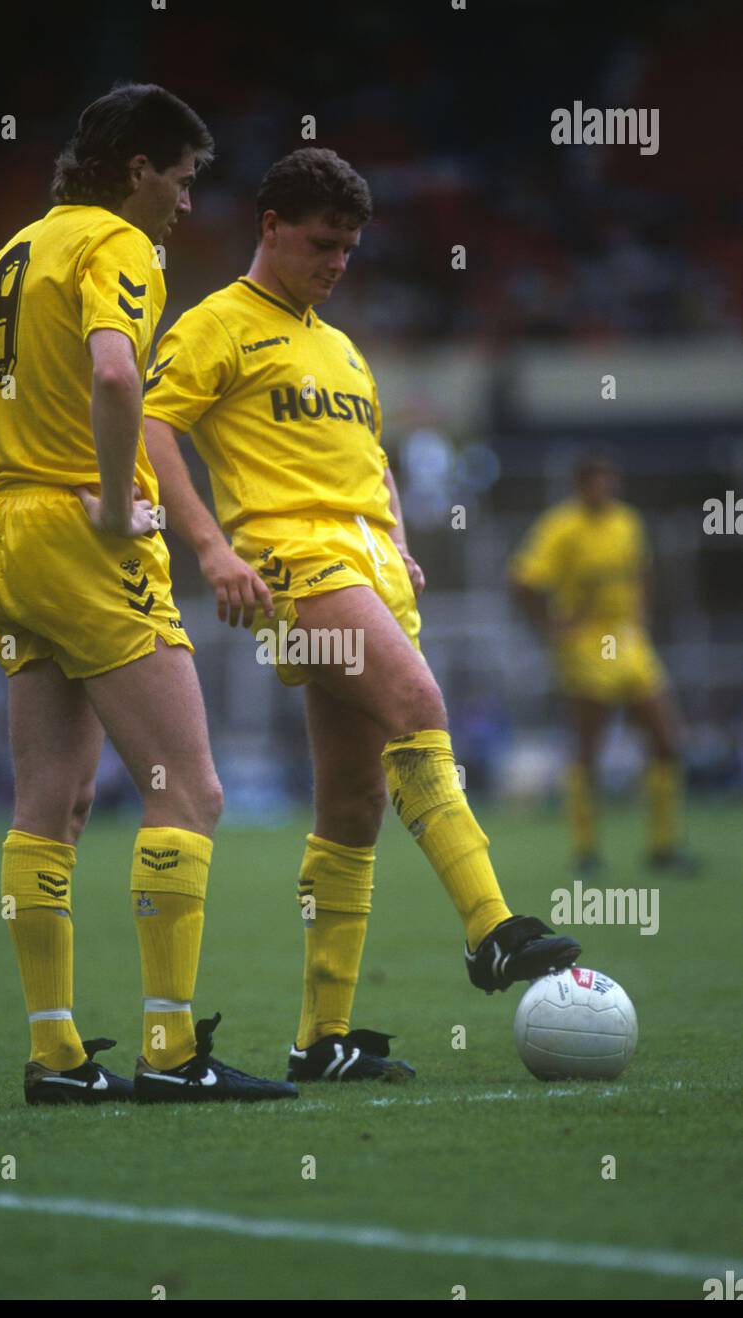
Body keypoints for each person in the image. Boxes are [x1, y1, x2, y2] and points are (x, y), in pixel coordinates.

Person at [142, 147, 580, 1085]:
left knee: (353, 805)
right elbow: (149, 428)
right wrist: (212, 549)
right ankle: (492, 928)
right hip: (290, 568)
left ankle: (321, 1040)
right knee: (420, 706)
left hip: (374, 569)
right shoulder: (216, 325)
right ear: (269, 227)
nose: (336, 264)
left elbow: (369, 460)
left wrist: (398, 534)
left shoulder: (340, 348)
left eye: (348, 250)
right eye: (320, 245)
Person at [0, 83, 296, 1106]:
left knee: (51, 805)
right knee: (189, 792)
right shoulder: (115, 245)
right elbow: (119, 380)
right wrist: (118, 505)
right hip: (87, 542)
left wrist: (4, 496)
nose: (185, 204)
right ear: (137, 169)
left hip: (16, 545)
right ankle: (170, 1049)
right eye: (182, 178)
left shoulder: (10, 254)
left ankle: (57, 1054)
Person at [510, 454, 697, 873]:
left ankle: (664, 847)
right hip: (586, 643)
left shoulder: (627, 522)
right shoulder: (561, 527)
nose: (606, 489)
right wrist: (551, 626)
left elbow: (641, 571)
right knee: (588, 747)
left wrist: (642, 614)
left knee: (666, 737)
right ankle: (586, 851)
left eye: (610, 481)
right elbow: (522, 579)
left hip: (628, 638)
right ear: (581, 486)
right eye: (597, 482)